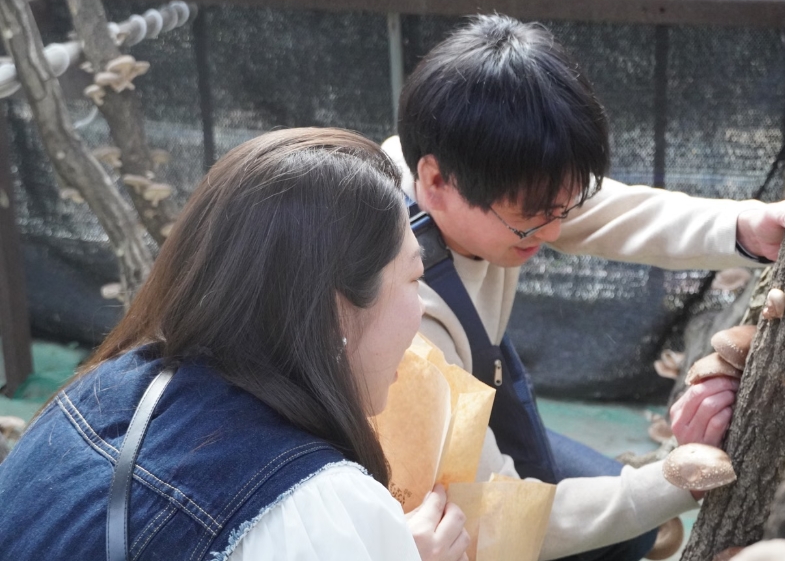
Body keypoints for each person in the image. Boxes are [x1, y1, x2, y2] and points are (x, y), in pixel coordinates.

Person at [384, 15, 785, 561]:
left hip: (478, 380)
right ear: (435, 181)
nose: (555, 231)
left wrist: (744, 227)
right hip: (401, 468)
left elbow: (604, 212)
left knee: (631, 525)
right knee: (606, 534)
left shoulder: (431, 163)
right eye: (532, 219)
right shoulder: (403, 320)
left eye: (562, 207)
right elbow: (493, 511)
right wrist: (674, 482)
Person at [0, 128, 469, 561]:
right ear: (334, 308)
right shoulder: (316, 506)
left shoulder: (102, 388)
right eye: (414, 276)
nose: (419, 316)